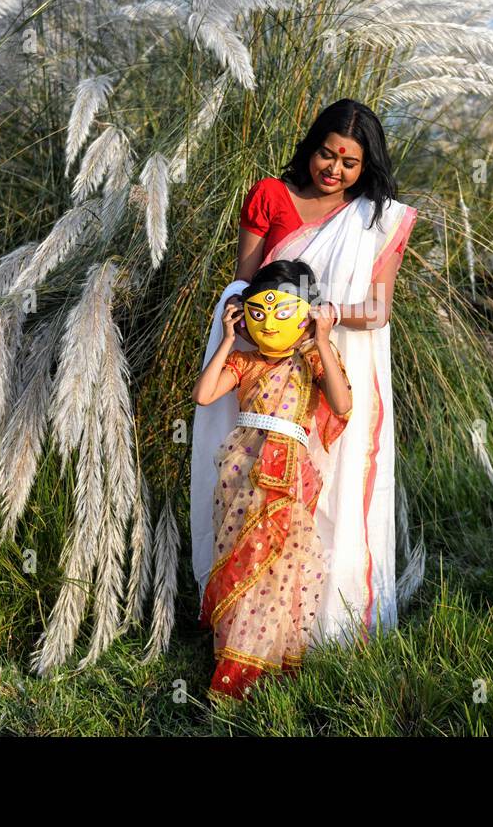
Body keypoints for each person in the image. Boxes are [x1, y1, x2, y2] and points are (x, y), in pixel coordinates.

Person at [190, 98, 417, 646]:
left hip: (330, 362)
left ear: (367, 167)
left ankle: (325, 625)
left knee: (330, 482)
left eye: (349, 163)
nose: (334, 170)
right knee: (252, 488)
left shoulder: (378, 219)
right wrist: (240, 326)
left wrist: (329, 318)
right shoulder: (271, 195)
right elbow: (244, 283)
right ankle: (247, 625)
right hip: (263, 366)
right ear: (311, 146)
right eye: (326, 155)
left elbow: (380, 310)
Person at [191, 260, 352, 701]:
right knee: (241, 556)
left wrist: (322, 338)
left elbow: (340, 403)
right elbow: (203, 395)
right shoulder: (245, 361)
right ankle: (234, 659)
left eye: (284, 311)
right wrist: (227, 340)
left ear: (306, 311)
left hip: (291, 476)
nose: (270, 324)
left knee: (280, 563)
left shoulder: (313, 358)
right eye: (259, 313)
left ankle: (267, 660)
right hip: (239, 472)